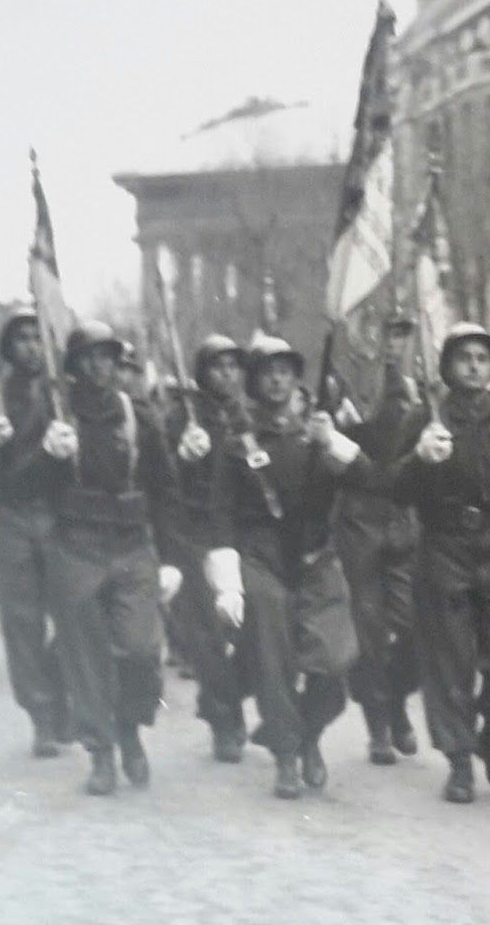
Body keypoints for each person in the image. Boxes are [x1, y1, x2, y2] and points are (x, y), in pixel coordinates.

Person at [202, 335, 368, 801]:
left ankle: (308, 732)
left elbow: (366, 478)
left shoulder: (317, 430)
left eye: (285, 371)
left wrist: (332, 442)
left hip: (316, 557)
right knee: (273, 664)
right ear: (254, 383)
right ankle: (288, 756)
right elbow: (221, 512)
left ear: (297, 377)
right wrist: (228, 582)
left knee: (336, 662)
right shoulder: (237, 442)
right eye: (266, 372)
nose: (276, 380)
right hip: (263, 559)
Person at [45, 320, 182, 797]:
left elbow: (165, 489)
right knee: (85, 657)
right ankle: (100, 751)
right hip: (77, 548)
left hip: (131, 546)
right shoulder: (56, 415)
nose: (101, 367)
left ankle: (129, 727)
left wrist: (170, 557)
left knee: (141, 650)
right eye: (91, 358)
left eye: (108, 357)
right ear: (75, 366)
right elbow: (19, 486)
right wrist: (48, 453)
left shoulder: (137, 414)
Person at [394, 323, 490, 804]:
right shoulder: (425, 417)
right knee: (450, 662)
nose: (473, 366)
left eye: (481, 358)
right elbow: (394, 489)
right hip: (444, 547)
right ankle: (459, 760)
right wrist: (420, 458)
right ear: (447, 366)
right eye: (463, 357)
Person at [0, 308, 70, 757]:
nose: (31, 346)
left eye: (37, 336)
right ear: (8, 347)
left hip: (61, 515)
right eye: (22, 338)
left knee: (75, 614)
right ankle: (42, 714)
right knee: (23, 621)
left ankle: (61, 692)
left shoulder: (63, 392)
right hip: (14, 515)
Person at [331, 319, 421, 768]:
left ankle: (399, 698)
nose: (392, 344)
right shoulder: (343, 387)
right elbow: (327, 452)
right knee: (369, 632)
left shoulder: (417, 392)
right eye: (387, 334)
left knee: (412, 628)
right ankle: (379, 723)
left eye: (401, 336)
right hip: (359, 523)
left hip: (401, 520)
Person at [166, 334, 253, 764]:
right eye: (218, 366)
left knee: (252, 631)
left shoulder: (246, 417)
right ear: (202, 373)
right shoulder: (181, 417)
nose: (227, 374)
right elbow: (159, 476)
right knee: (208, 634)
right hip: (197, 534)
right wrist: (182, 456)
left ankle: (228, 699)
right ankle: (224, 720)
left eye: (233, 366)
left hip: (243, 533)